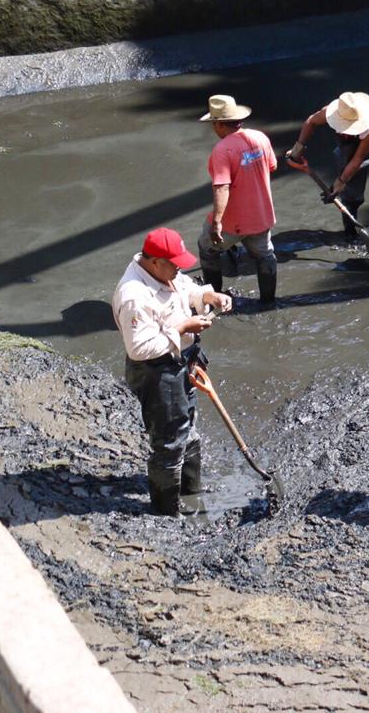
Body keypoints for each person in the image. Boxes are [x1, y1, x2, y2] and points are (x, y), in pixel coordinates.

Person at [112, 227, 232, 515]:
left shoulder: (165, 272)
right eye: (174, 263)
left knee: (187, 427)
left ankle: (191, 491)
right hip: (156, 370)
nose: (179, 269)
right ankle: (166, 510)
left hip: (181, 360)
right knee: (168, 441)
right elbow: (139, 348)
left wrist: (209, 296)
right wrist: (183, 328)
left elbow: (186, 288)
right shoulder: (134, 296)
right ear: (154, 262)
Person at [286, 91, 369, 241]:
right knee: (351, 197)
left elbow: (358, 159)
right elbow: (311, 122)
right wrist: (297, 150)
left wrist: (340, 181)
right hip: (348, 149)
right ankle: (351, 237)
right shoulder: (329, 112)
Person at [196, 94, 279, 304]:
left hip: (233, 221)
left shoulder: (222, 150)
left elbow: (222, 187)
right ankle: (268, 302)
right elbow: (272, 167)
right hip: (261, 216)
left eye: (214, 123)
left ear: (220, 124)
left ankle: (214, 299)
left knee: (207, 248)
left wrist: (216, 222)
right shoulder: (260, 137)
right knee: (265, 255)